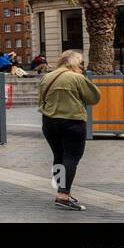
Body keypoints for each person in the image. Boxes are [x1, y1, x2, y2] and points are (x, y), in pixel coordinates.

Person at [38, 49, 101, 211]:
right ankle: (63, 195)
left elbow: (41, 99)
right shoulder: (77, 78)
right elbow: (94, 98)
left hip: (49, 122)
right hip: (72, 122)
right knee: (71, 157)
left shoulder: (47, 77)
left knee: (58, 155)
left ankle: (61, 190)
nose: (81, 66)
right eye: (80, 63)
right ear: (74, 63)